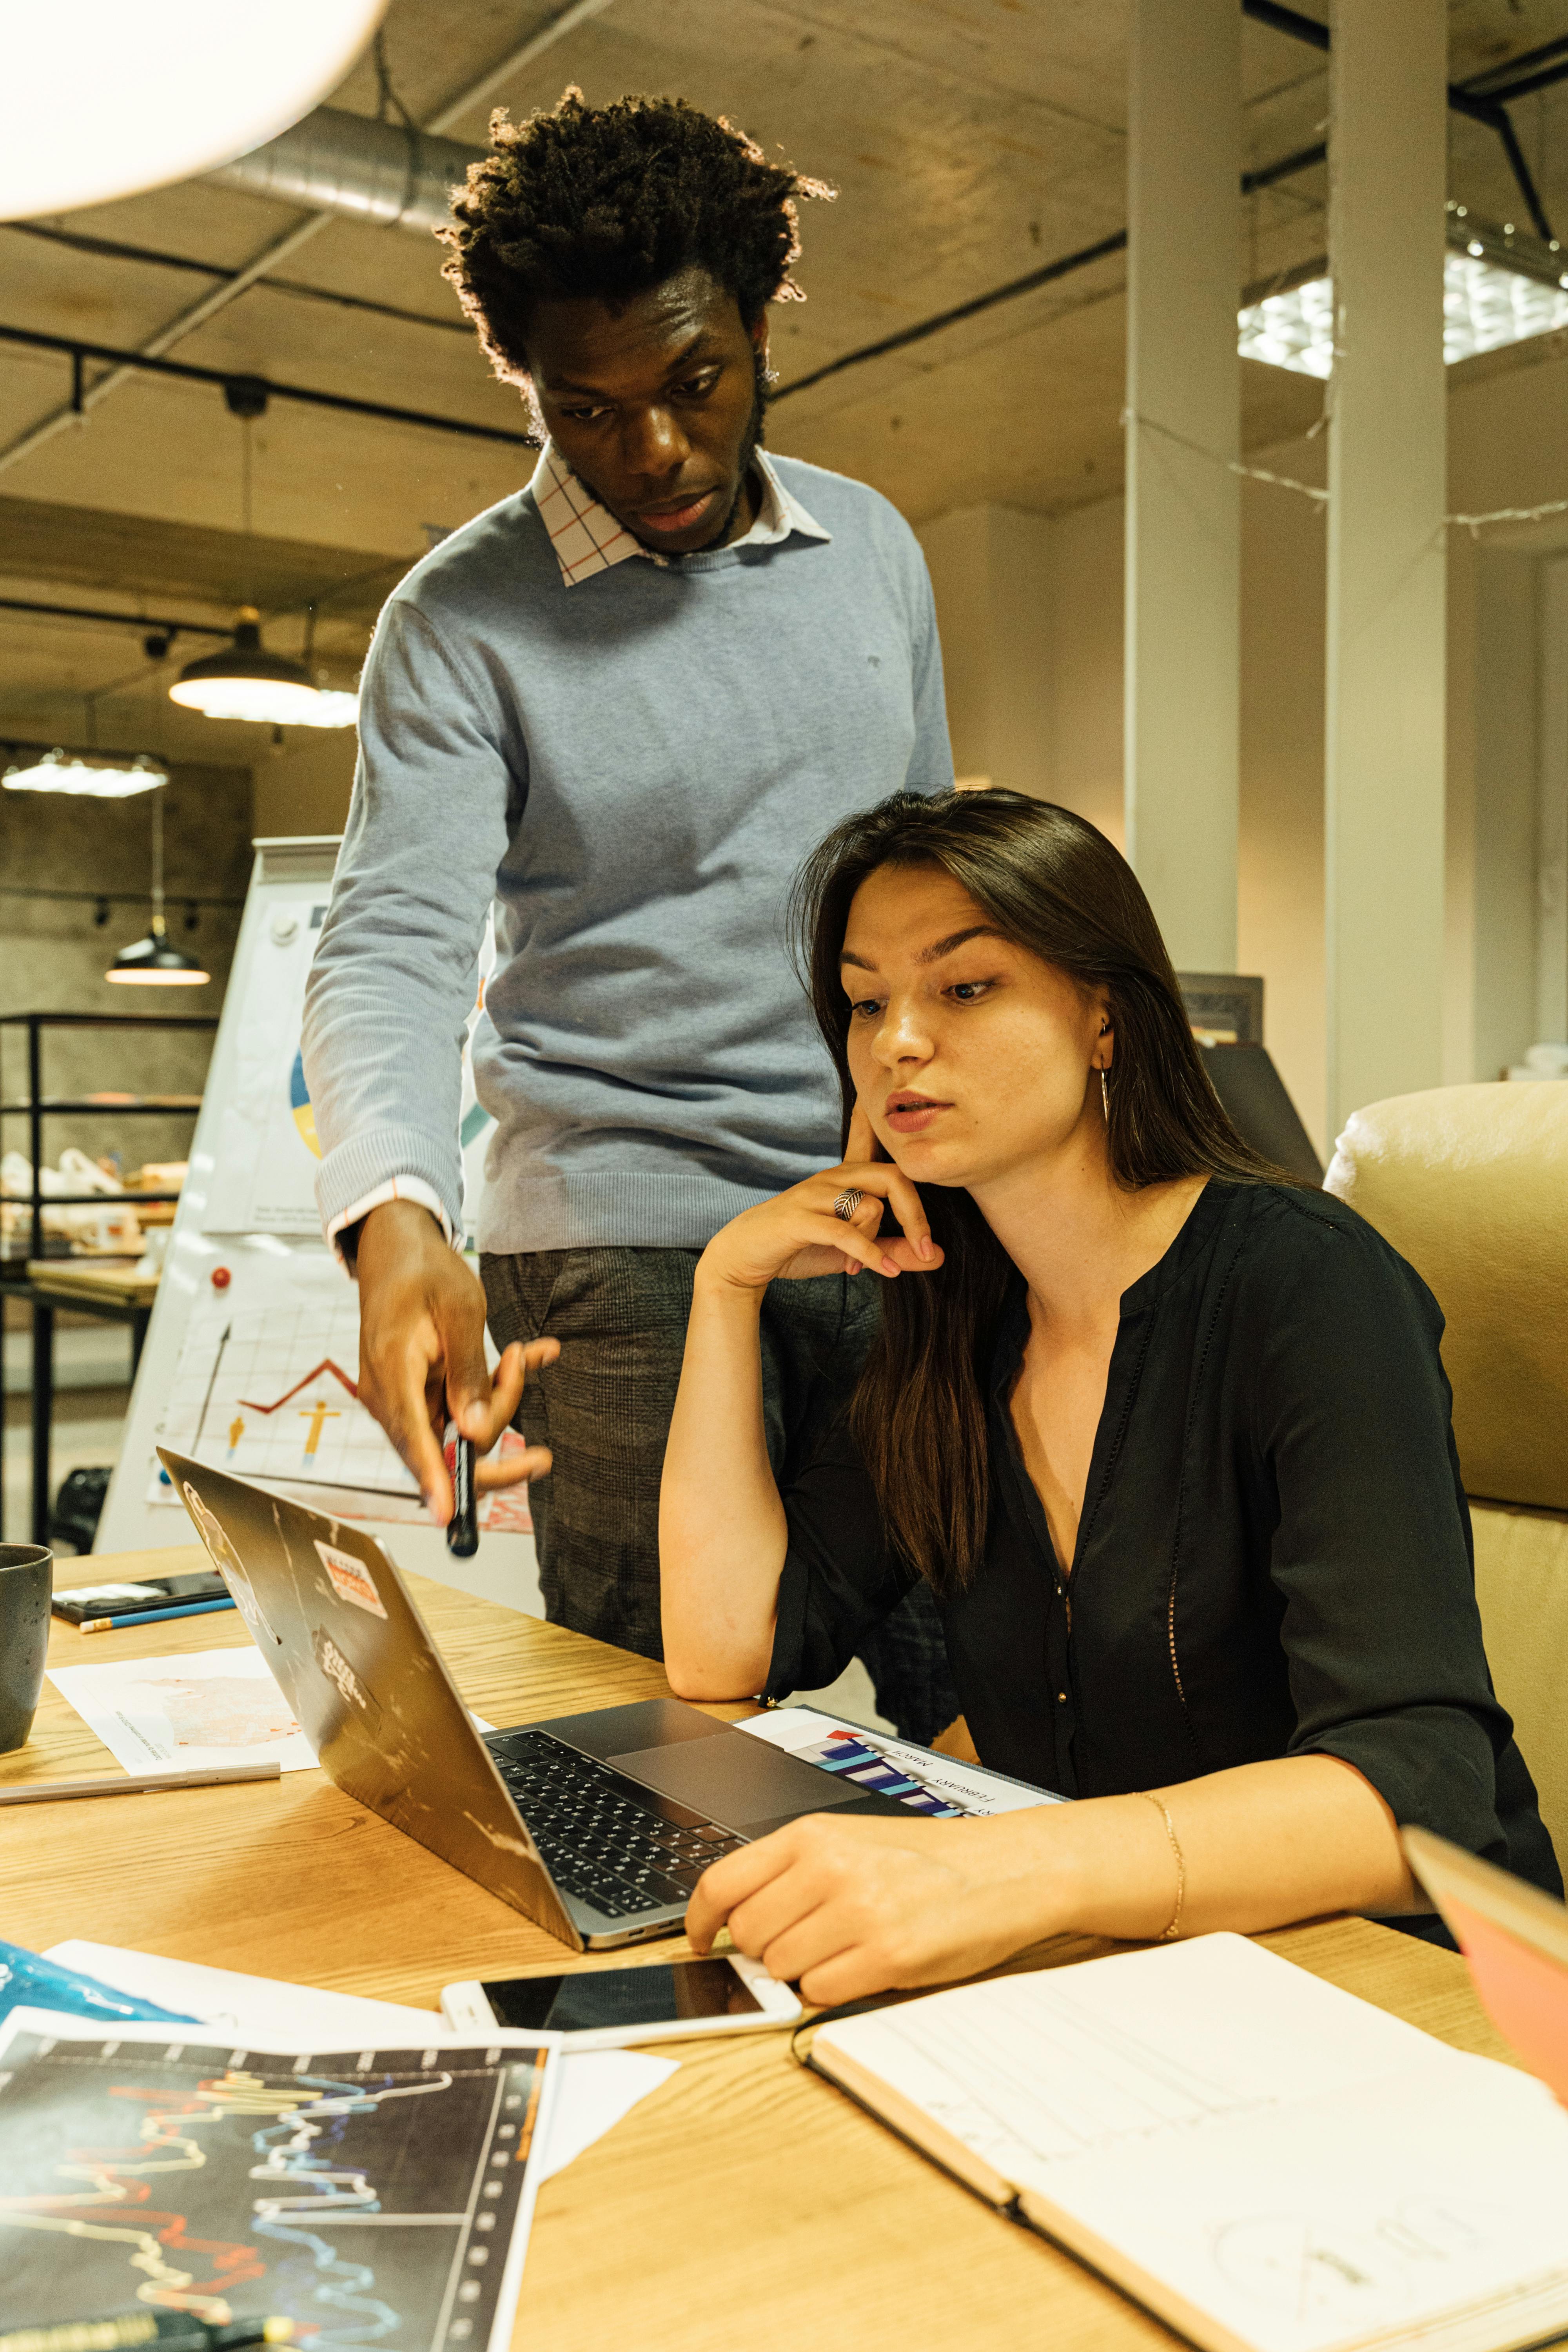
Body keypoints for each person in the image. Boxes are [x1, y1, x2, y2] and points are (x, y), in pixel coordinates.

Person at [659, 788, 1562, 2006]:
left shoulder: (1306, 1281)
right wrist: (725, 1291)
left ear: (1103, 1017)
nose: (897, 1045)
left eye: (964, 988)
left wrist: (994, 1871)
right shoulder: (951, 1316)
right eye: (868, 1003)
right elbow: (732, 1647)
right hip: (1132, 1978)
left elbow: (1416, 1790)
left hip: (1403, 1991)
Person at [301, 91, 958, 1739]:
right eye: (586, 413)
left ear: (755, 325)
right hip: (620, 1247)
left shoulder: (871, 549)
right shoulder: (461, 620)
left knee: (993, 1686)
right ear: (526, 384)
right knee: (675, 1731)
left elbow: (943, 894)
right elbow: (390, 937)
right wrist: (400, 1221)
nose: (651, 452)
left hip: (894, 1216)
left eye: (692, 385)